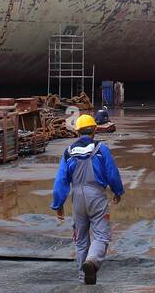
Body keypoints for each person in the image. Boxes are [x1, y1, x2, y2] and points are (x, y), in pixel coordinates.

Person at [52, 113, 125, 284]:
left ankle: (83, 277)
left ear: (77, 132)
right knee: (101, 235)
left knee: (81, 239)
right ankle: (92, 261)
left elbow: (61, 180)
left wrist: (58, 204)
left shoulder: (69, 152)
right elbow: (112, 173)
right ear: (94, 131)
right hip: (96, 195)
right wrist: (117, 191)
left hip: (77, 197)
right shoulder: (101, 149)